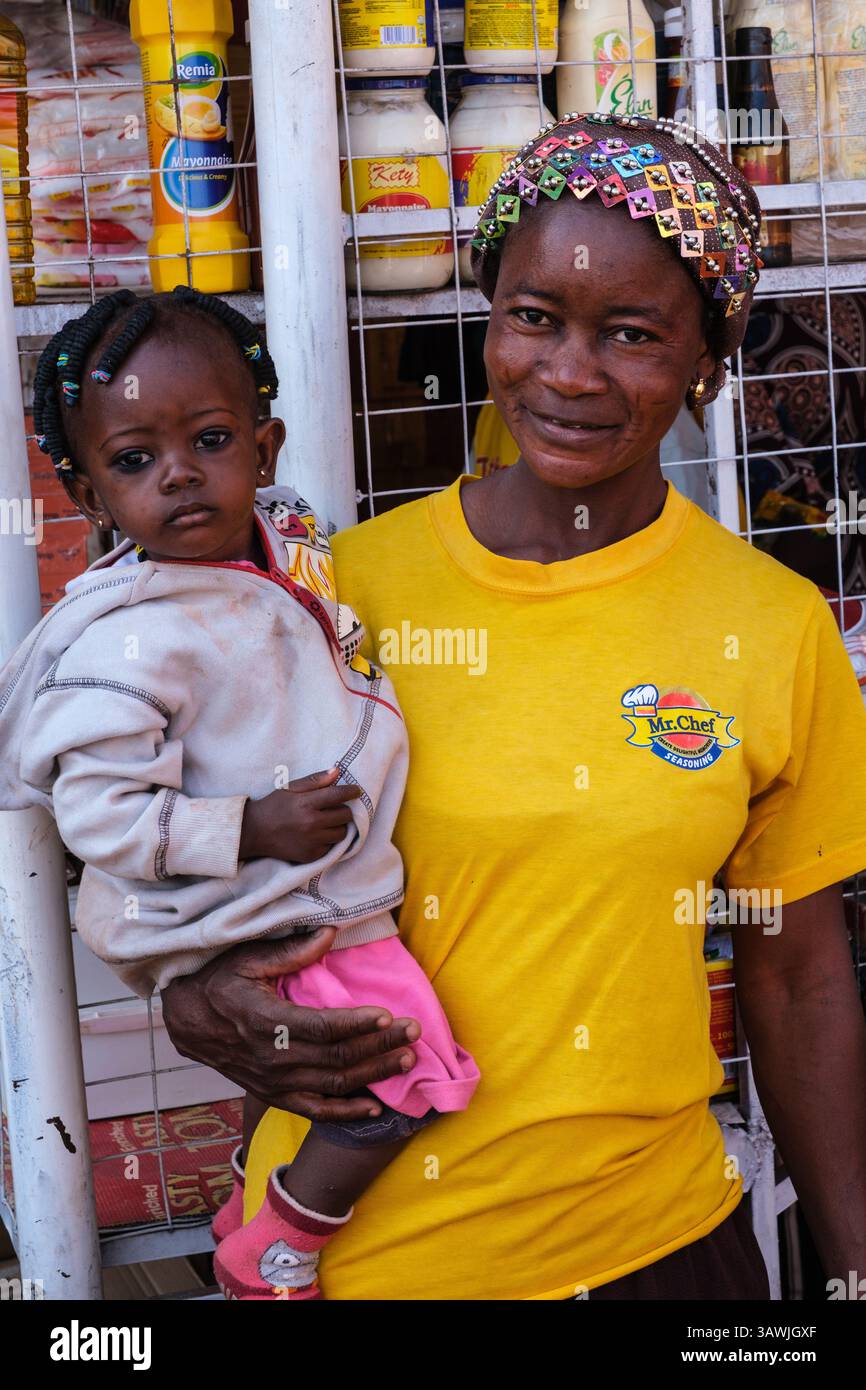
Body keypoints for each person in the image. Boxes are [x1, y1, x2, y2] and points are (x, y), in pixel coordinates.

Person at [159, 111, 866, 1300]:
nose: (568, 373)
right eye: (533, 318)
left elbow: (794, 974)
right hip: (360, 1255)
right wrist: (189, 995)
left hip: (656, 1253)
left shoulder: (769, 625)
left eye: (631, 334)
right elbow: (176, 860)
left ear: (708, 360)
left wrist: (851, 1271)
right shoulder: (330, 598)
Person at [0, 286, 479, 1301]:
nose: (177, 473)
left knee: (347, 1082)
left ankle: (243, 1205)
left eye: (209, 438)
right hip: (271, 911)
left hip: (319, 899)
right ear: (89, 498)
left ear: (263, 450)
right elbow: (101, 816)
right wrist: (249, 827)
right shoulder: (127, 636)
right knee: (404, 1085)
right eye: (133, 461)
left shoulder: (281, 546)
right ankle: (277, 1248)